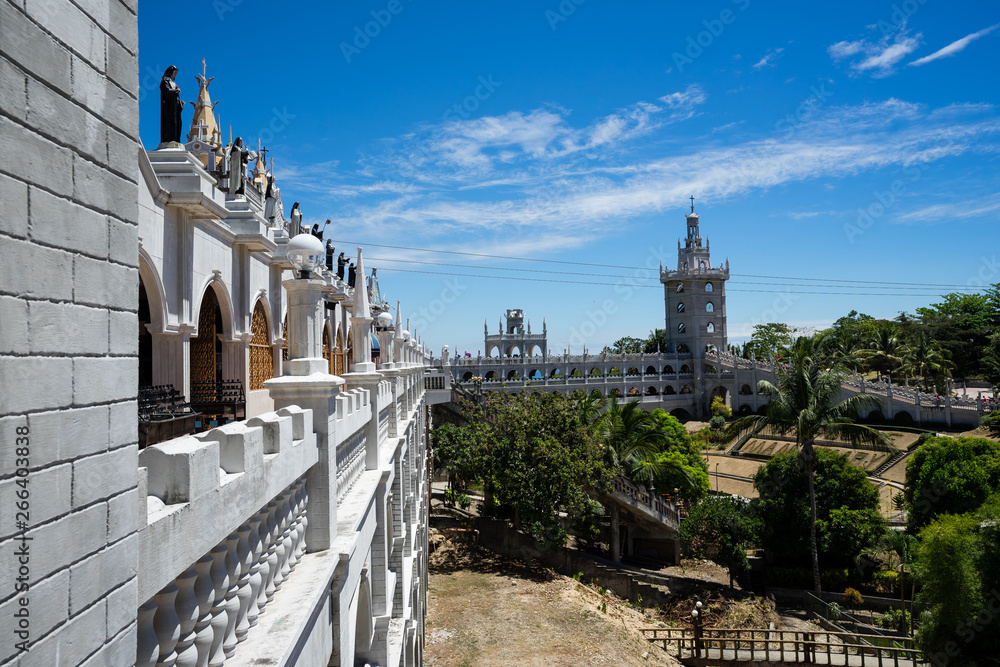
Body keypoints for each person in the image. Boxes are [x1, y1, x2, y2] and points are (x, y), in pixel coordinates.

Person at [159, 66, 185, 145]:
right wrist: (176, 91)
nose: (176, 74)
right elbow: (166, 91)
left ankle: (176, 139)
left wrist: (180, 103)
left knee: (178, 122)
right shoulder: (165, 80)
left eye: (176, 73)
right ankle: (169, 139)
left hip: (175, 106)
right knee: (170, 122)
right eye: (175, 73)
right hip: (169, 107)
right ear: (171, 72)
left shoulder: (173, 82)